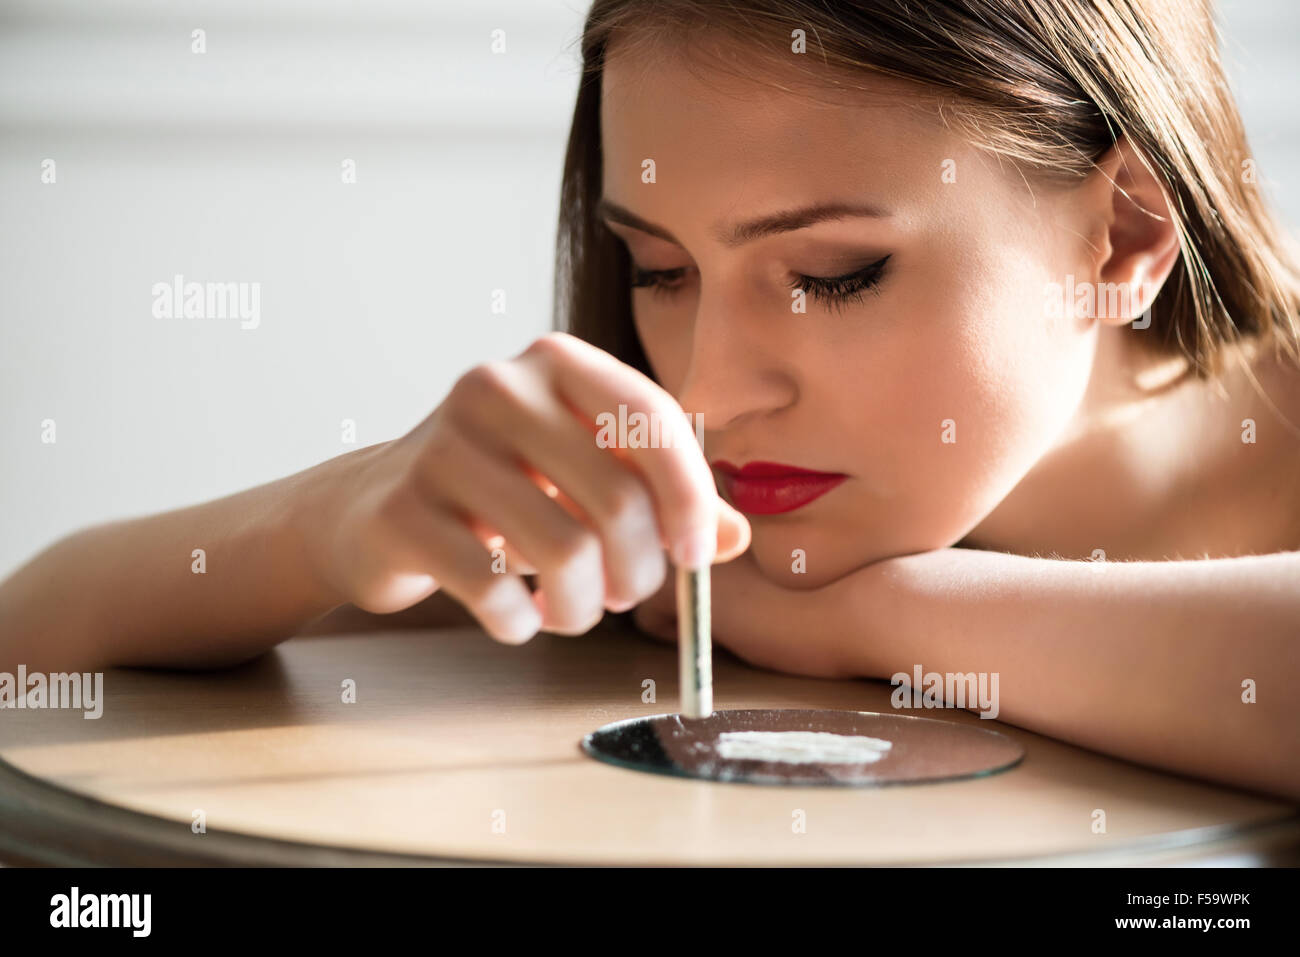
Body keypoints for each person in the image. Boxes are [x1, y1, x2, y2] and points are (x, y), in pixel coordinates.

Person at [2, 0, 1298, 800]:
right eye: (661, 268)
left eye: (832, 274)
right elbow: (28, 649)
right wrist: (327, 519)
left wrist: (871, 618)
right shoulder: (656, 511)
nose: (707, 391)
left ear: (1123, 233)